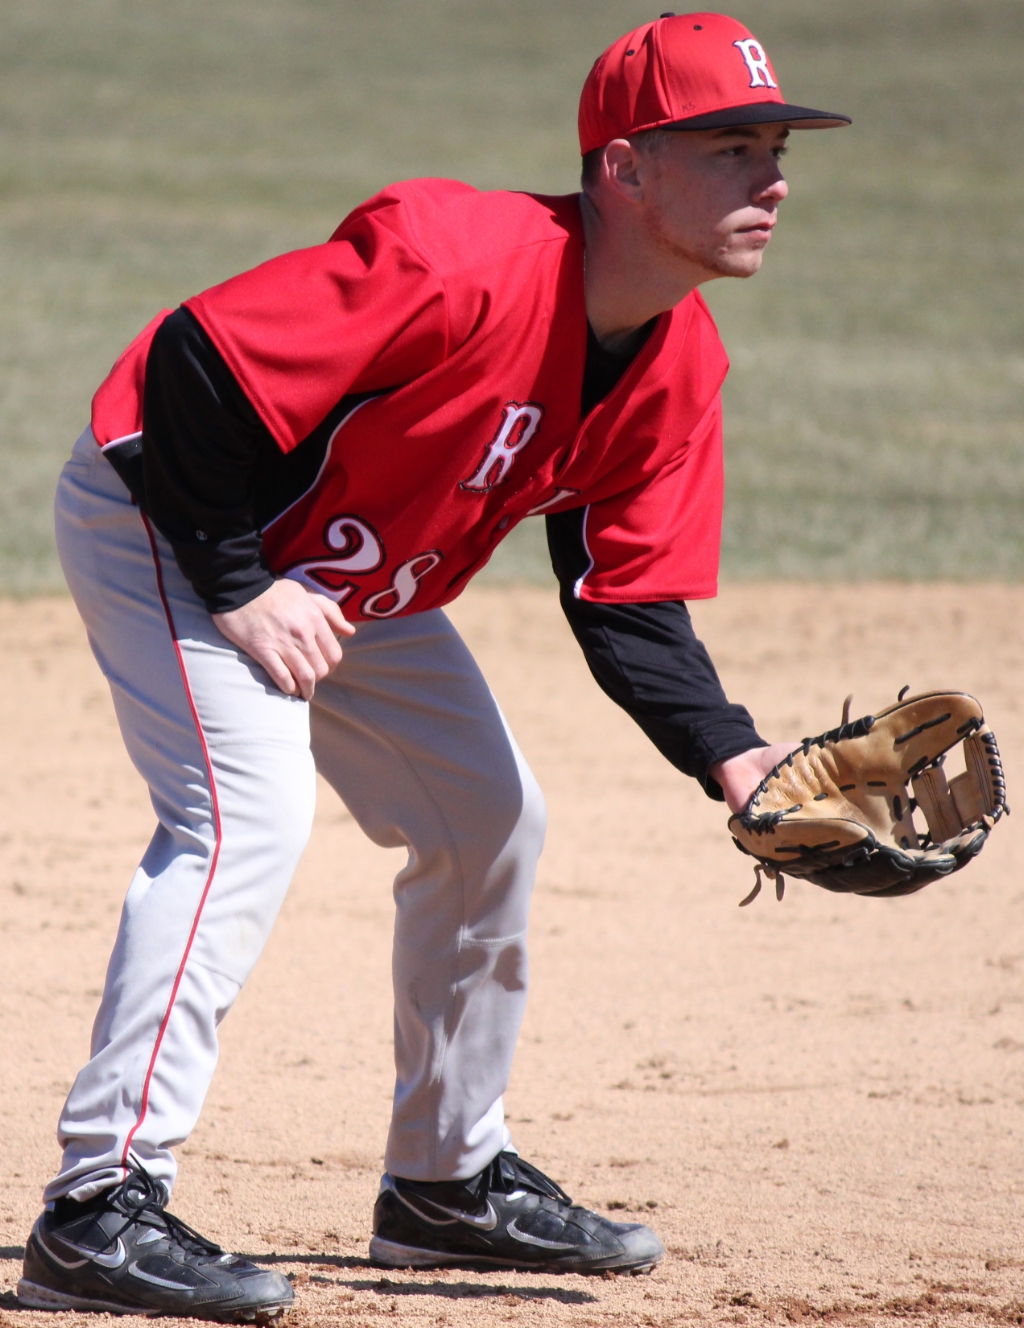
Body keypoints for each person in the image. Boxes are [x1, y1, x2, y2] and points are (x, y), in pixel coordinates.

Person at [18, 10, 850, 1320]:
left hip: (347, 582)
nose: (775, 178)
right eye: (733, 145)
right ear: (623, 168)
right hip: (172, 517)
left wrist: (738, 762)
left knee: (490, 816)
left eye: (778, 147)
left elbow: (623, 600)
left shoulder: (680, 360)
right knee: (245, 816)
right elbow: (190, 369)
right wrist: (235, 587)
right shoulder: (456, 256)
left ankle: (443, 1184)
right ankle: (97, 1207)